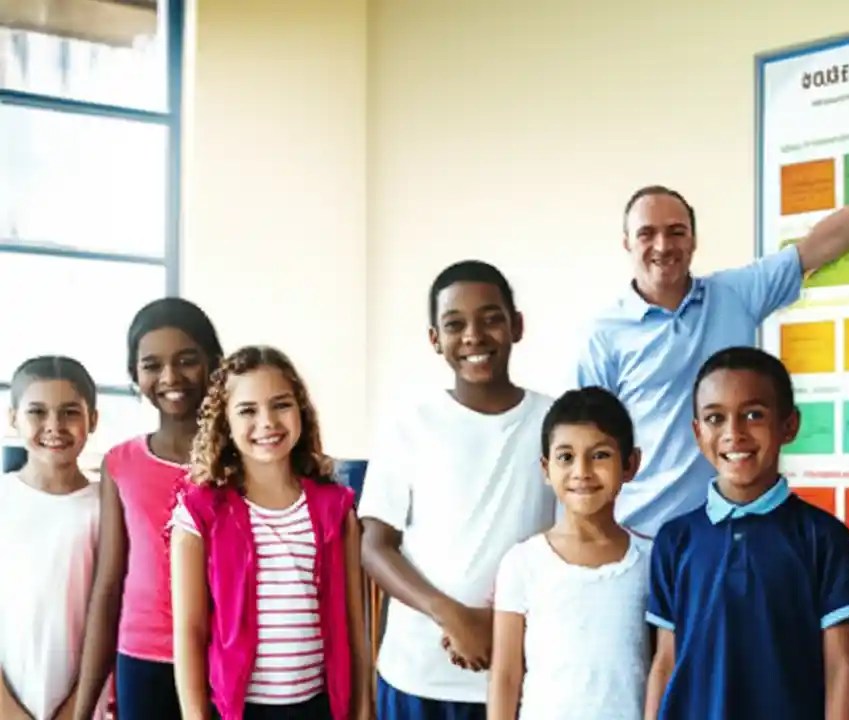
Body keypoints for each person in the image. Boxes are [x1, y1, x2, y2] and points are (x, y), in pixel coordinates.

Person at [578, 154, 849, 536]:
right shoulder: (605, 334)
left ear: (693, 240)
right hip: (642, 534)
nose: (663, 245)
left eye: (676, 231)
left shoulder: (734, 294)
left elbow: (817, 247)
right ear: (627, 242)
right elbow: (587, 444)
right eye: (647, 233)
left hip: (731, 529)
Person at [359, 260, 556, 720]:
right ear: (435, 339)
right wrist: (451, 615)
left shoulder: (554, 423)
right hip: (417, 676)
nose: (474, 335)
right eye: (455, 324)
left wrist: (502, 624)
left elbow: (570, 541)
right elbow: (374, 546)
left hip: (519, 673)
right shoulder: (410, 424)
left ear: (517, 326)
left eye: (491, 318)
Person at [644, 346, 849, 720]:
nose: (734, 433)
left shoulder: (822, 537)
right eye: (715, 418)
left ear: (788, 425)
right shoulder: (674, 540)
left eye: (753, 415)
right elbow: (665, 660)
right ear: (698, 433)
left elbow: (840, 665)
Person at [170, 345, 371, 720]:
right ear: (225, 423)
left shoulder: (336, 509)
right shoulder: (198, 513)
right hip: (239, 710)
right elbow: (190, 632)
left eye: (281, 404)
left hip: (319, 708)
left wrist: (362, 711)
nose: (267, 422)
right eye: (247, 410)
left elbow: (354, 629)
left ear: (301, 411)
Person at [74, 298, 224, 720]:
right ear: (134, 374)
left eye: (187, 360)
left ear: (214, 363)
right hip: (143, 660)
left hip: (228, 655)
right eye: (152, 365)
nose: (170, 377)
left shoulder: (240, 460)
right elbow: (108, 588)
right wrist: (83, 709)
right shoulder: (121, 464)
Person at [488, 387, 651, 720]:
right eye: (566, 457)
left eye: (600, 455)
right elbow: (505, 675)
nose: (582, 472)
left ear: (630, 464)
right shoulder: (522, 564)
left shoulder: (651, 561)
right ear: (546, 469)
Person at [0, 357, 103, 720]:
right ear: (13, 418)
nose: (54, 426)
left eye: (69, 412)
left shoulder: (107, 507)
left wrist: (76, 708)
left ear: (93, 418)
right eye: (37, 412)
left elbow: (110, 616)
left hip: (84, 706)